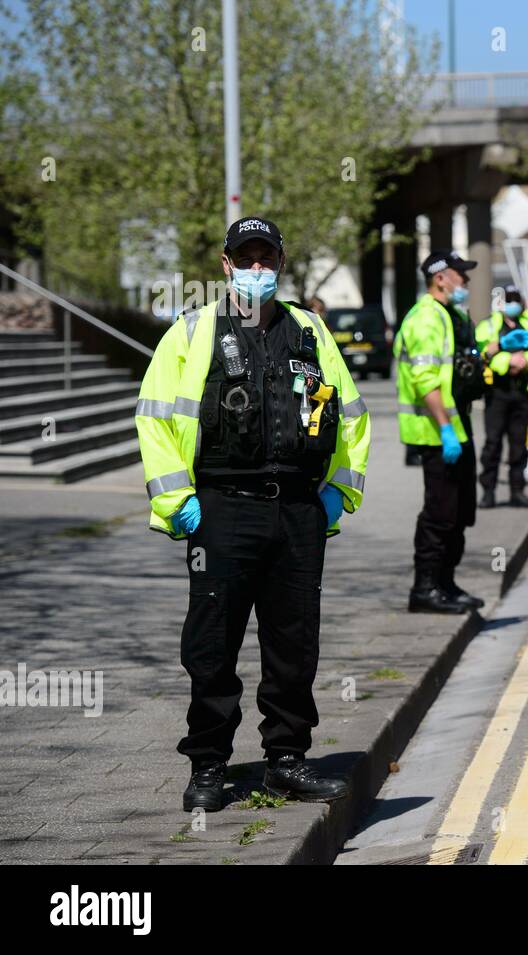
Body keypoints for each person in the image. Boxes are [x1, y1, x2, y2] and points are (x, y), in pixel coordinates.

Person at [135, 216, 370, 812]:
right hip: (219, 510)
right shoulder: (190, 333)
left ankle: (286, 760)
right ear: (226, 265)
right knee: (212, 643)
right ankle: (209, 767)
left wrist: (337, 494)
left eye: (267, 259)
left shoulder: (310, 332)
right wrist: (177, 501)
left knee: (294, 643)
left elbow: (352, 416)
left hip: (297, 511)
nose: (257, 269)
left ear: (282, 265)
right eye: (247, 259)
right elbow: (155, 417)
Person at [396, 250, 485, 614]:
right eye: (461, 275)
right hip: (435, 433)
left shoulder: (452, 315)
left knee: (462, 512)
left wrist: (492, 351)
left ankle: (446, 584)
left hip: (457, 427)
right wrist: (446, 429)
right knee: (439, 514)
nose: (467, 281)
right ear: (440, 278)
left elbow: (459, 368)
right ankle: (425, 589)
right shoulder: (425, 319)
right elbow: (425, 381)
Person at [475, 285, 528, 508]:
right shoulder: (488, 326)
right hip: (497, 393)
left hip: (522, 392)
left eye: (515, 300)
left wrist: (526, 361)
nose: (512, 305)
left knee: (519, 445)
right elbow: (482, 354)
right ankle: (488, 492)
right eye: (507, 300)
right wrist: (507, 362)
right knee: (492, 445)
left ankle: (517, 492)